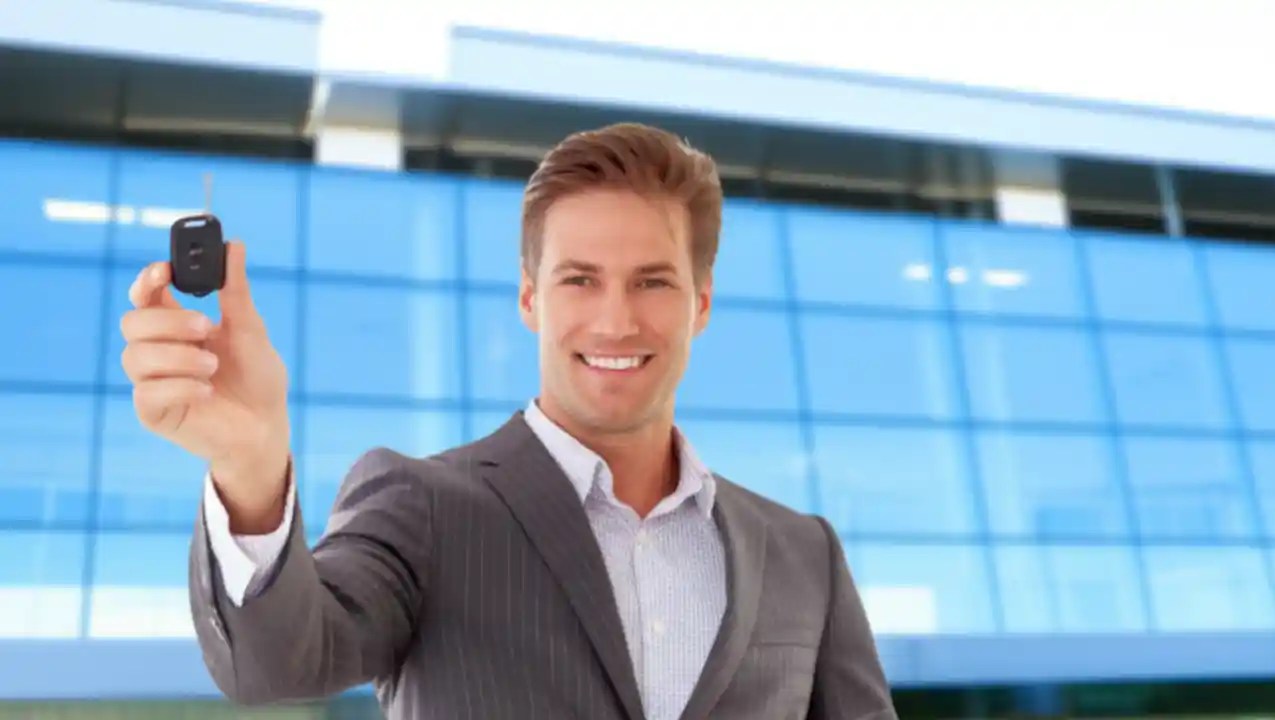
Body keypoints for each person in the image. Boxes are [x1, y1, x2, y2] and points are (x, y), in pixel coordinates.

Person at [119, 122, 898, 720]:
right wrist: (251, 468)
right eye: (580, 279)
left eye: (653, 282)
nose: (616, 320)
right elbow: (276, 665)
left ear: (701, 303)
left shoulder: (805, 557)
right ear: (530, 299)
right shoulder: (424, 507)